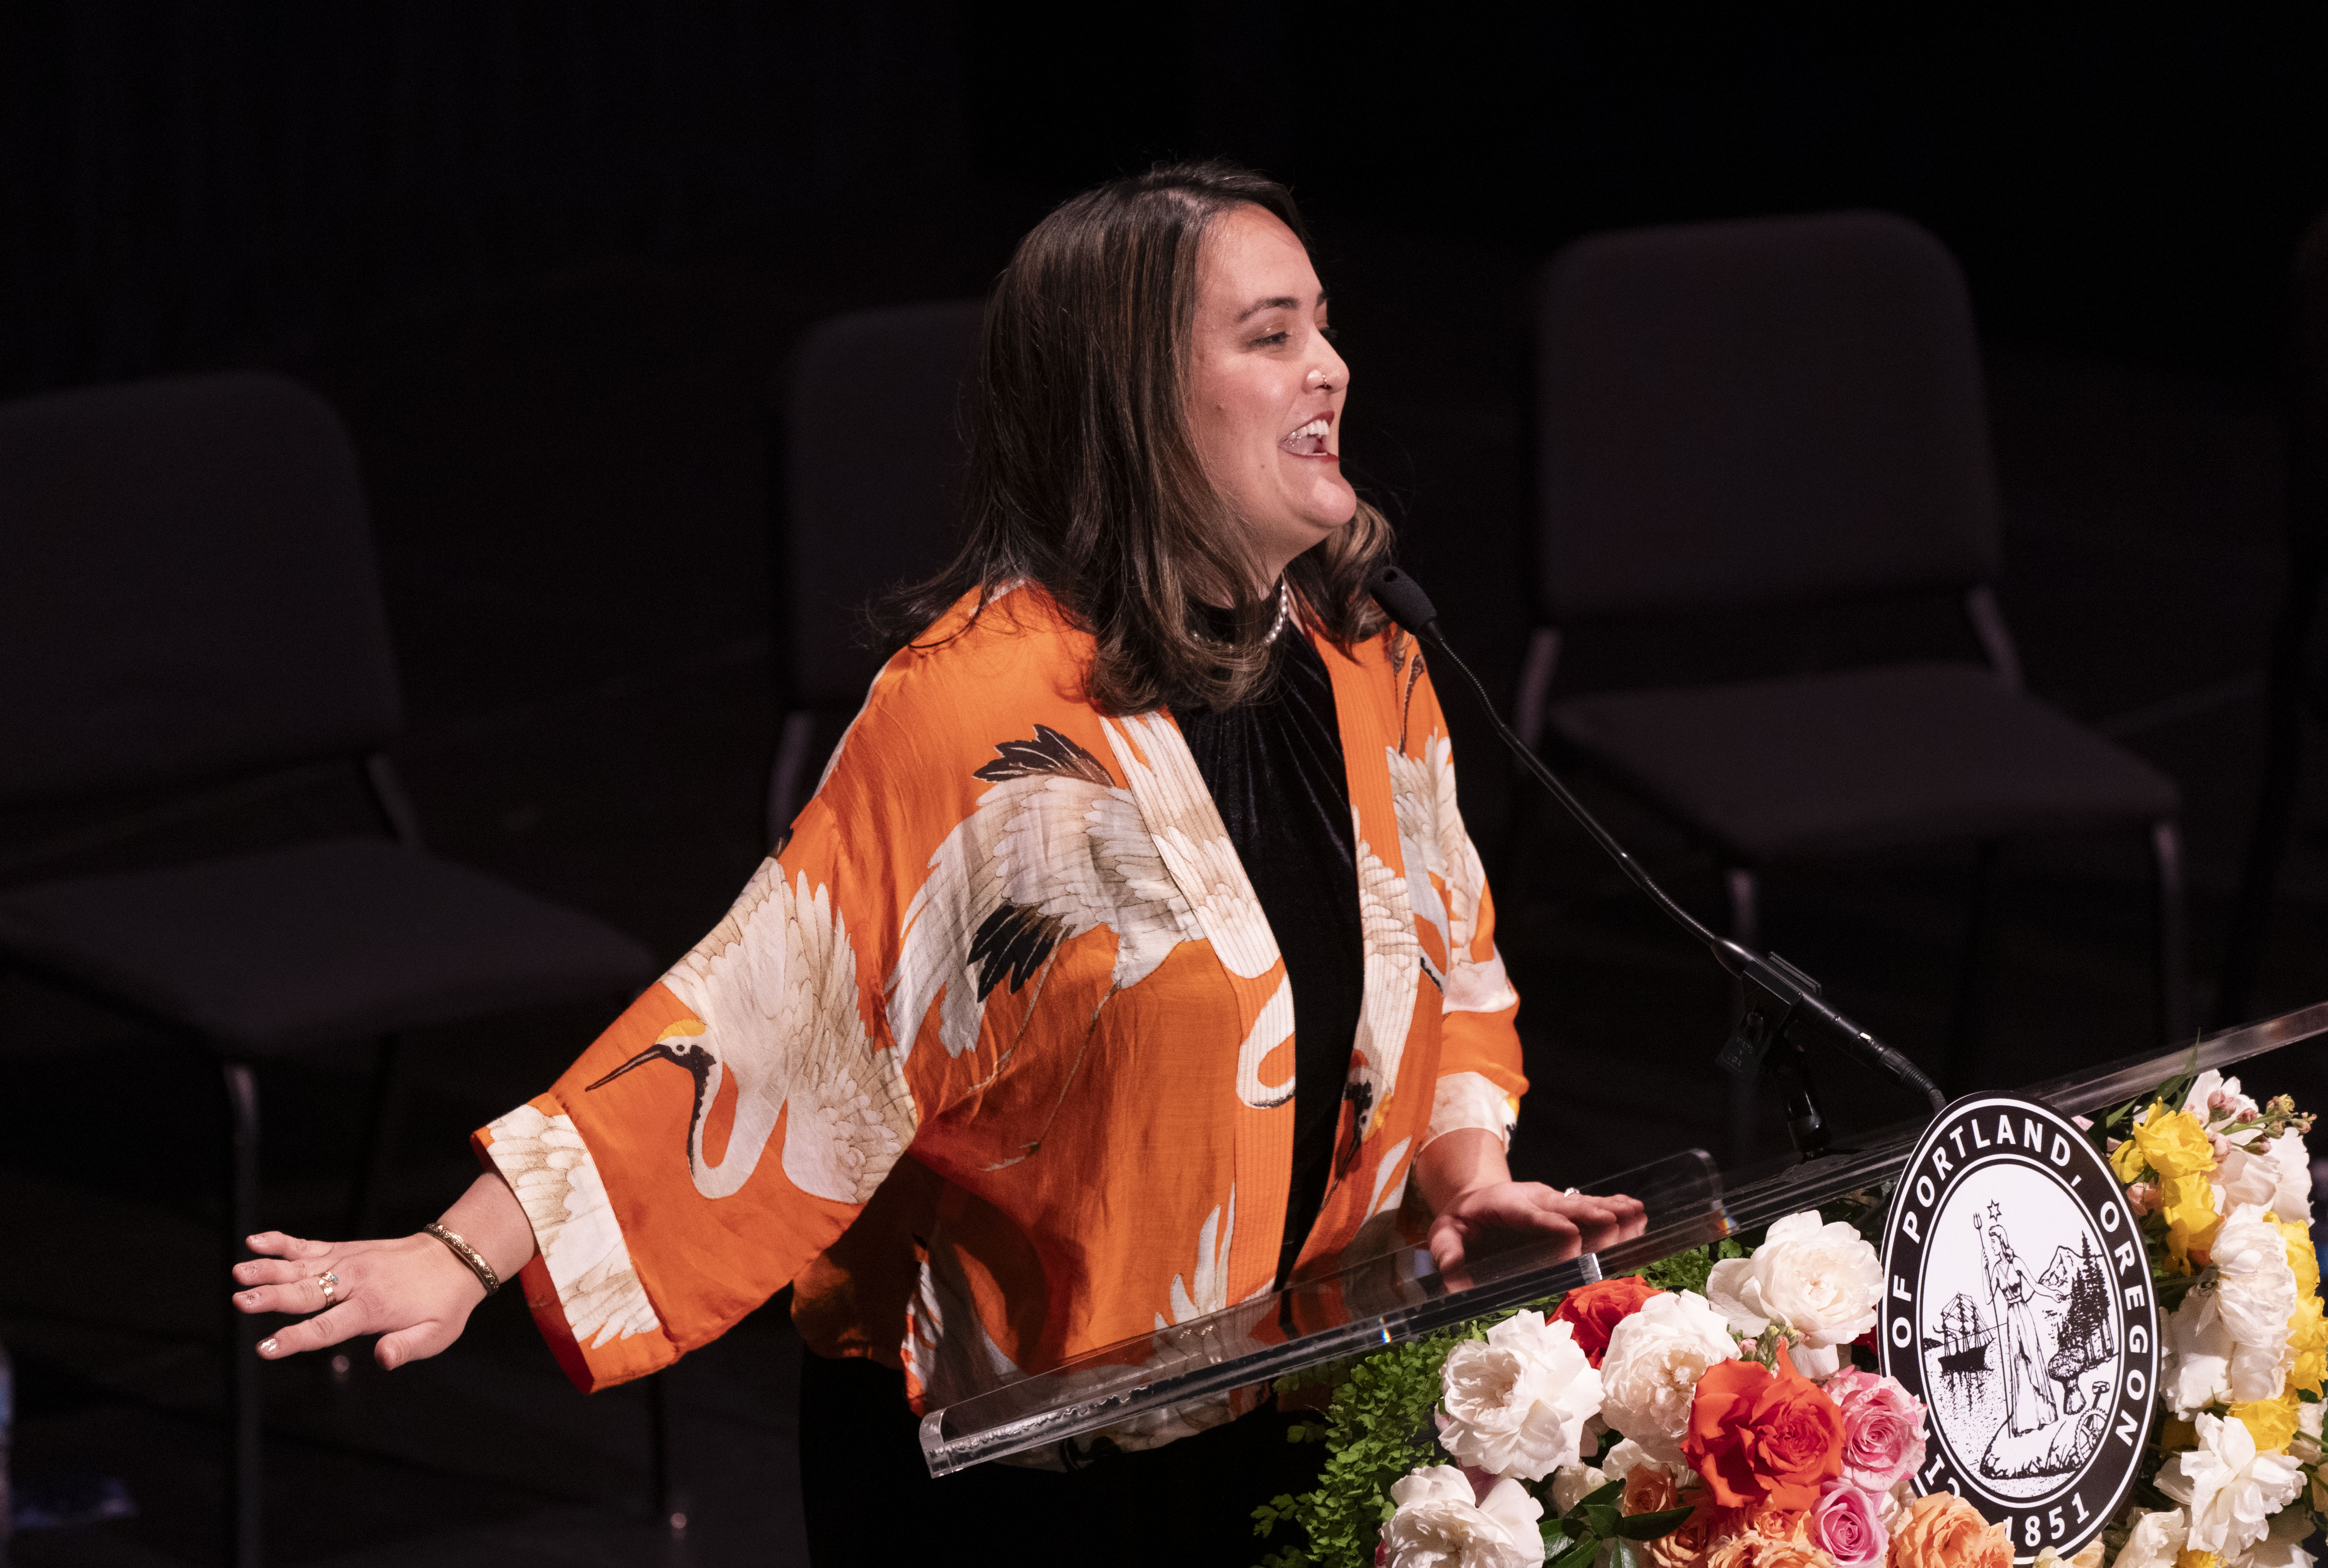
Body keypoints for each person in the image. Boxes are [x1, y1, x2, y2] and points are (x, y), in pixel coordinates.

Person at [227, 161, 1645, 1564]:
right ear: (1133, 399)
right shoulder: (980, 716)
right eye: (1270, 337)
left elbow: (1453, 972)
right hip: (1019, 1473)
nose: (1329, 368)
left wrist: (1466, 1180)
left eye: (1322, 325)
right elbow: (763, 1018)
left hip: (1306, 1429)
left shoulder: (1365, 656)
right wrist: (466, 1249)